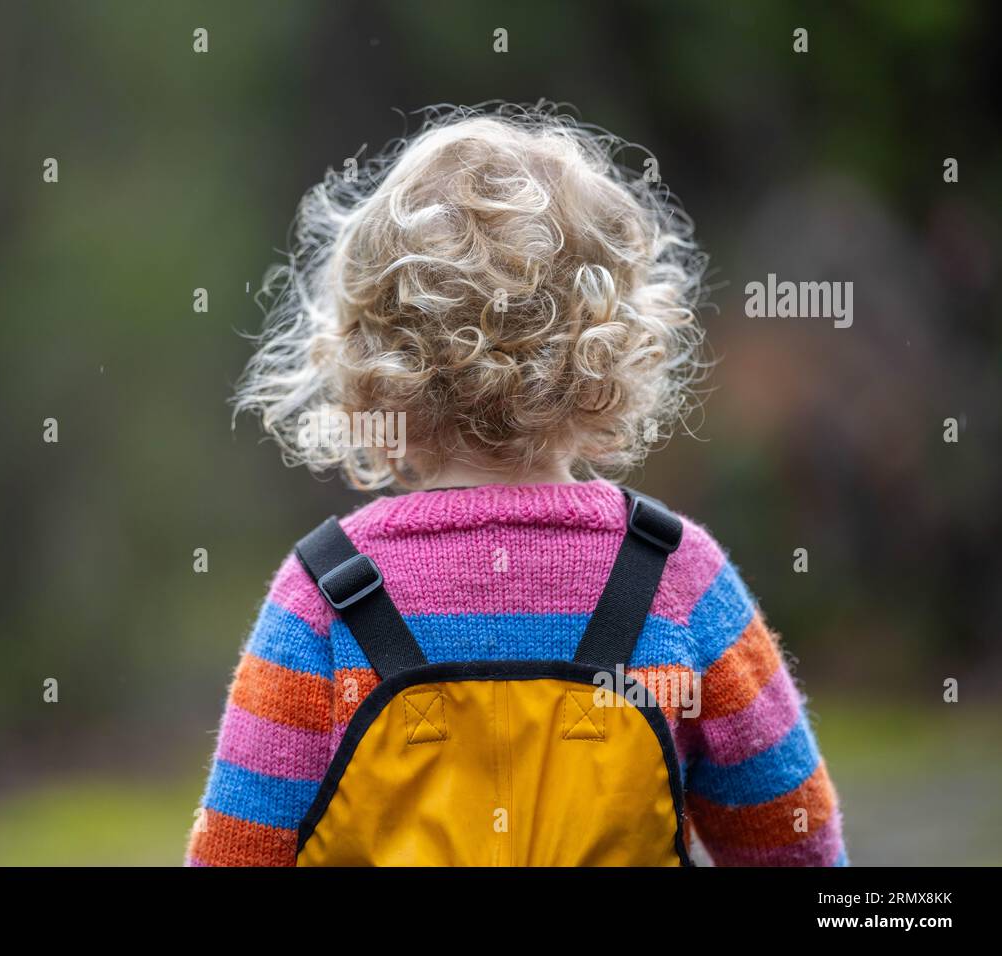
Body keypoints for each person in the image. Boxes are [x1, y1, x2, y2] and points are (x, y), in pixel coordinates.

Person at [188, 105, 844, 867]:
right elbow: (800, 849)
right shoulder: (676, 580)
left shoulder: (323, 601)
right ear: (616, 344)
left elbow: (233, 857)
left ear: (371, 362)